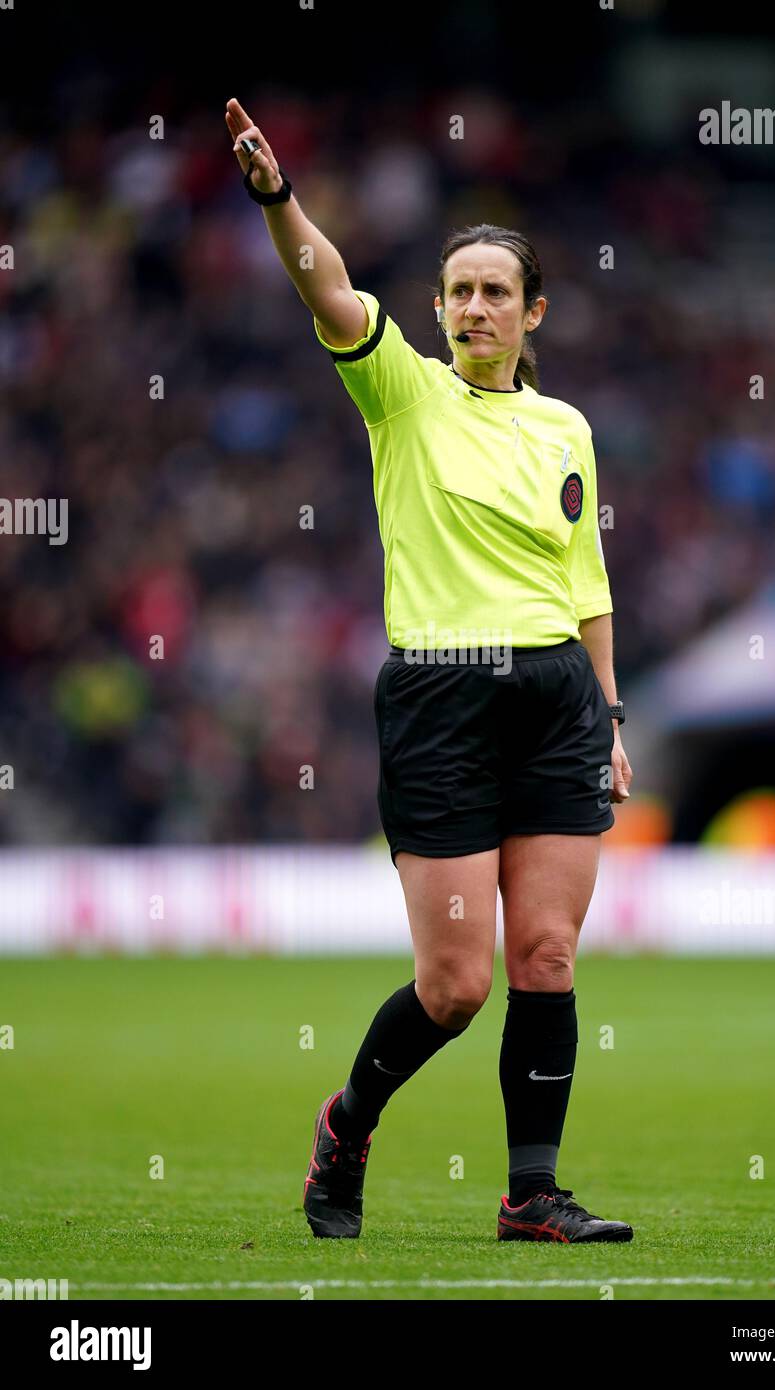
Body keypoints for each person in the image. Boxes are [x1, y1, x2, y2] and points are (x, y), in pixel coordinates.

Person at [226, 98, 635, 1244]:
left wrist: (609, 711)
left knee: (545, 955)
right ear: (438, 310)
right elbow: (326, 287)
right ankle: (346, 1127)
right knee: (456, 983)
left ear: (532, 310)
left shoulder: (568, 429)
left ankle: (532, 1196)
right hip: (442, 697)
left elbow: (588, 580)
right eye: (458, 291)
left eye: (495, 291)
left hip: (558, 697)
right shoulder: (400, 391)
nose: (472, 307)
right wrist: (277, 199)